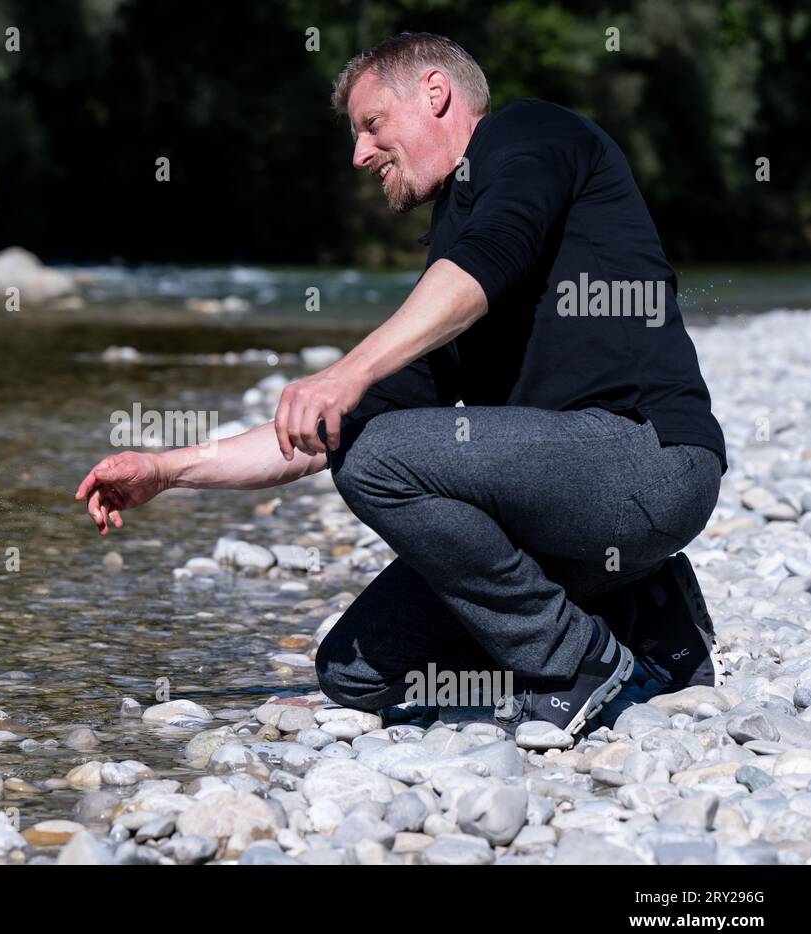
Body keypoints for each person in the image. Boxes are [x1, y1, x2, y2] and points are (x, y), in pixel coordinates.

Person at [75, 32, 725, 740]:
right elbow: (325, 432)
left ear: (435, 93)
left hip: (649, 459)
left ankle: (575, 662)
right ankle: (644, 611)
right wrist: (166, 469)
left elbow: (494, 251)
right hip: (571, 515)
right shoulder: (451, 260)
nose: (359, 154)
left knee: (379, 458)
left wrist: (348, 367)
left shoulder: (530, 133)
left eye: (371, 125)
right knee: (354, 673)